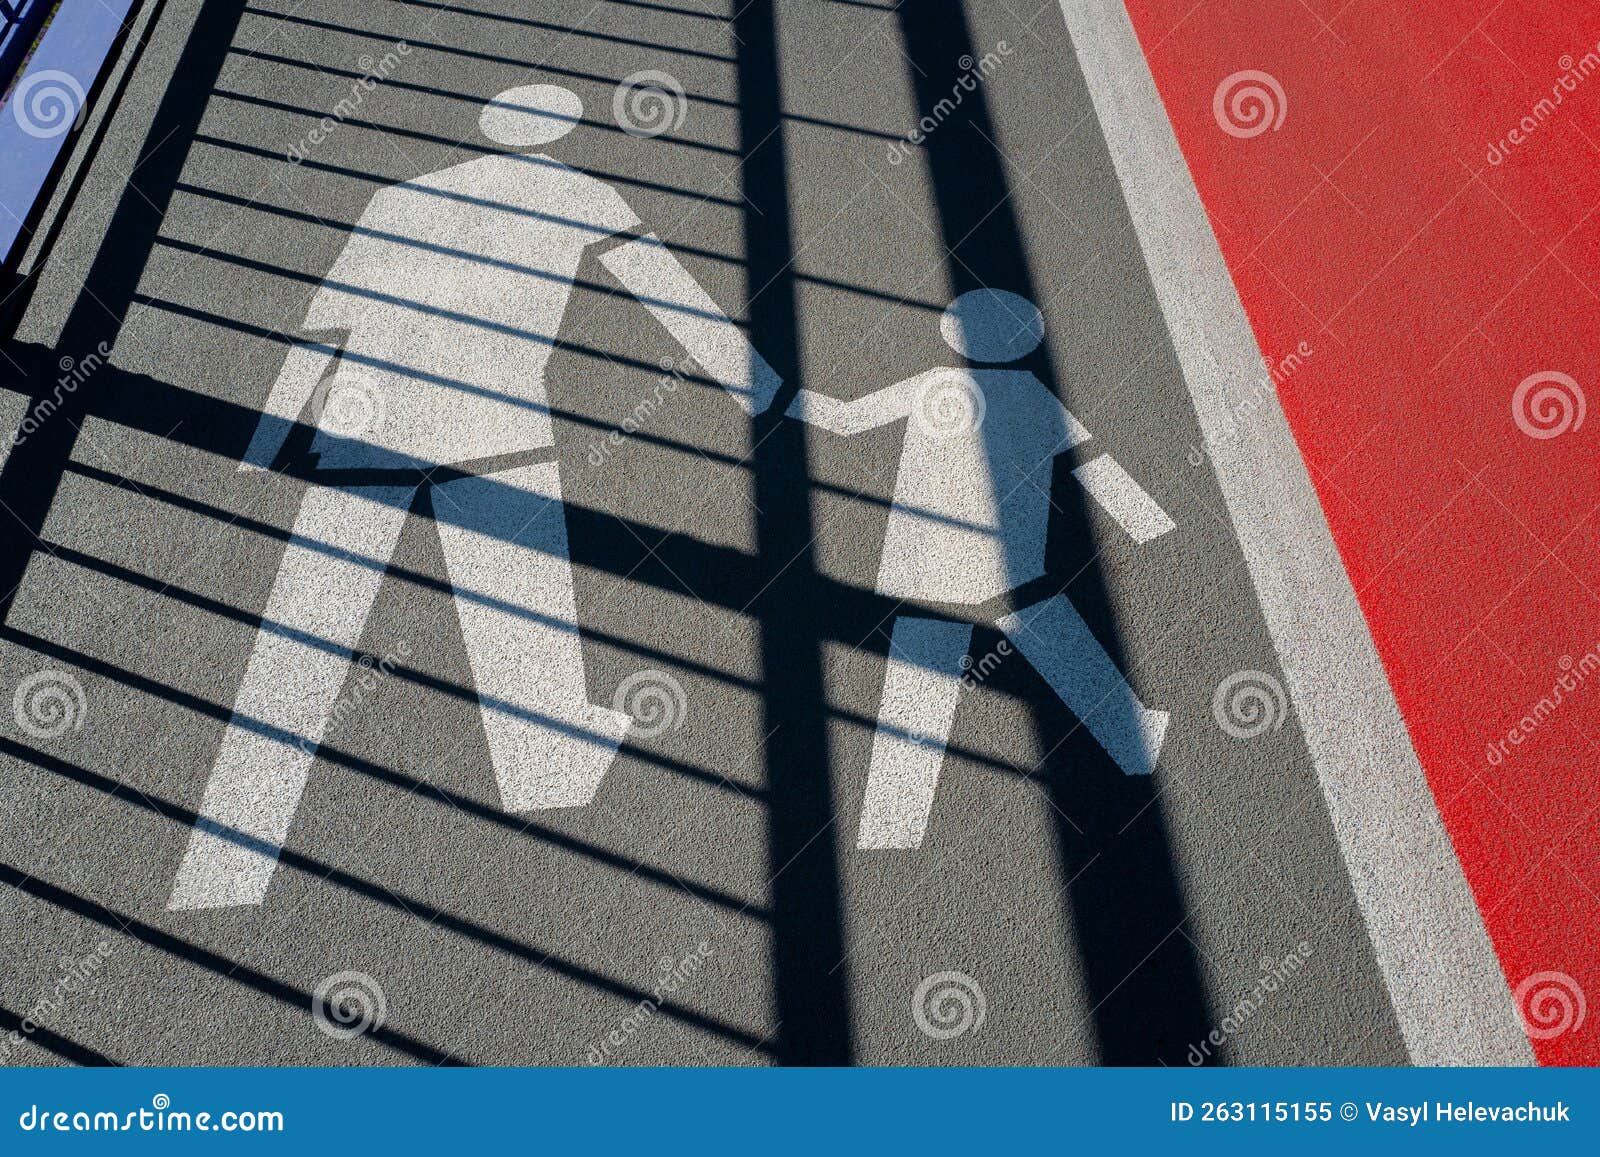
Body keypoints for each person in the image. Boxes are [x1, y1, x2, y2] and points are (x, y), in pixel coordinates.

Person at [169, 85, 779, 910]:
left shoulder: (402, 196)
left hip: (365, 423)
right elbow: (675, 303)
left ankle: (227, 850)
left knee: (304, 629)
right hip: (494, 425)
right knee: (519, 611)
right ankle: (549, 766)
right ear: (559, 131)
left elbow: (327, 320)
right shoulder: (577, 194)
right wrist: (770, 396)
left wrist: (267, 438)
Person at [786, 288, 1173, 849]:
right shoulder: (1035, 396)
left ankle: (894, 816)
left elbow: (847, 421)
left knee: (921, 677)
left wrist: (783, 398)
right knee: (1052, 633)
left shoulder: (932, 388)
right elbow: (1093, 467)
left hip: (922, 568)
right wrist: (1145, 520)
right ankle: (1132, 744)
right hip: (1010, 570)